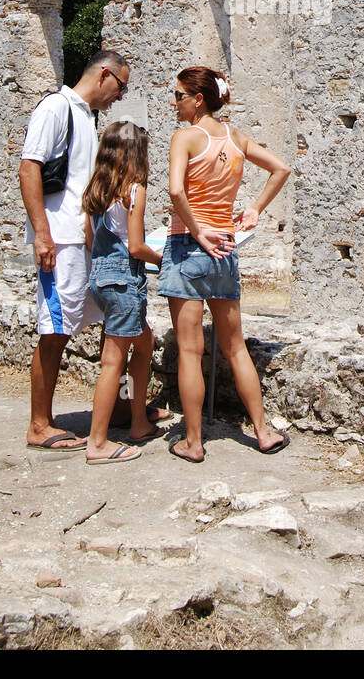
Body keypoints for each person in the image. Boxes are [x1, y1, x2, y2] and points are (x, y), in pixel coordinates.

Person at [158, 66, 291, 462]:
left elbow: (176, 190)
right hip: (227, 248)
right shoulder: (235, 137)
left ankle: (194, 441)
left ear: (198, 99)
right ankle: (263, 431)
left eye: (179, 95)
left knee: (189, 349)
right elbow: (281, 168)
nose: (175, 101)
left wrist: (197, 232)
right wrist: (254, 209)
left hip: (189, 244)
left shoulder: (185, 137)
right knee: (235, 348)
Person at [19, 49, 130, 451]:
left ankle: (116, 408)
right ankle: (39, 424)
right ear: (104, 75)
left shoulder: (85, 116)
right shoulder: (56, 108)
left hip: (82, 241)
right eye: (121, 86)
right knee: (55, 330)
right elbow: (29, 166)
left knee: (110, 319)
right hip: (59, 241)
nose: (120, 95)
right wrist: (42, 234)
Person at [81, 120, 164, 465]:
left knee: (144, 344)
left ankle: (138, 420)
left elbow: (90, 240)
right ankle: (97, 442)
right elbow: (135, 247)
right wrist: (164, 257)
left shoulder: (95, 190)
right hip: (124, 284)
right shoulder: (134, 189)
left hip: (100, 279)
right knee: (112, 363)